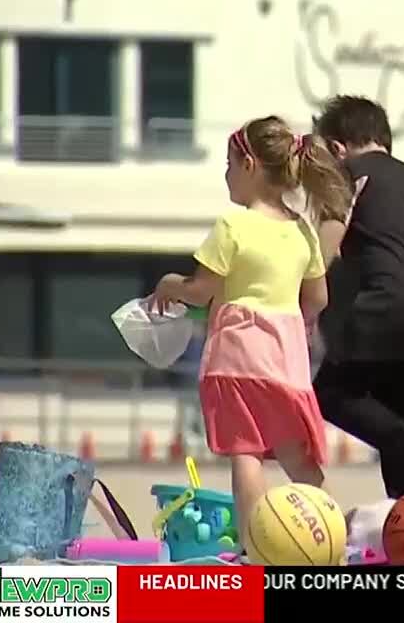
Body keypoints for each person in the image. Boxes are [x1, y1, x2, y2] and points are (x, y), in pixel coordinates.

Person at [146, 115, 353, 545]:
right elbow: (318, 298)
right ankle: (334, 539)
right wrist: (297, 322)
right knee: (297, 457)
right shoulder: (302, 232)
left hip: (236, 356)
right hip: (286, 361)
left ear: (249, 165)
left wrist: (169, 284)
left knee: (246, 452)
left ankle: (253, 547)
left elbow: (200, 292)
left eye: (229, 164)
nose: (226, 174)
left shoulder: (232, 226)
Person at [310, 95, 404, 500]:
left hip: (384, 310)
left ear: (337, 148)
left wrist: (305, 296)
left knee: (330, 394)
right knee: (401, 462)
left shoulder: (350, 175)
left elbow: (327, 243)